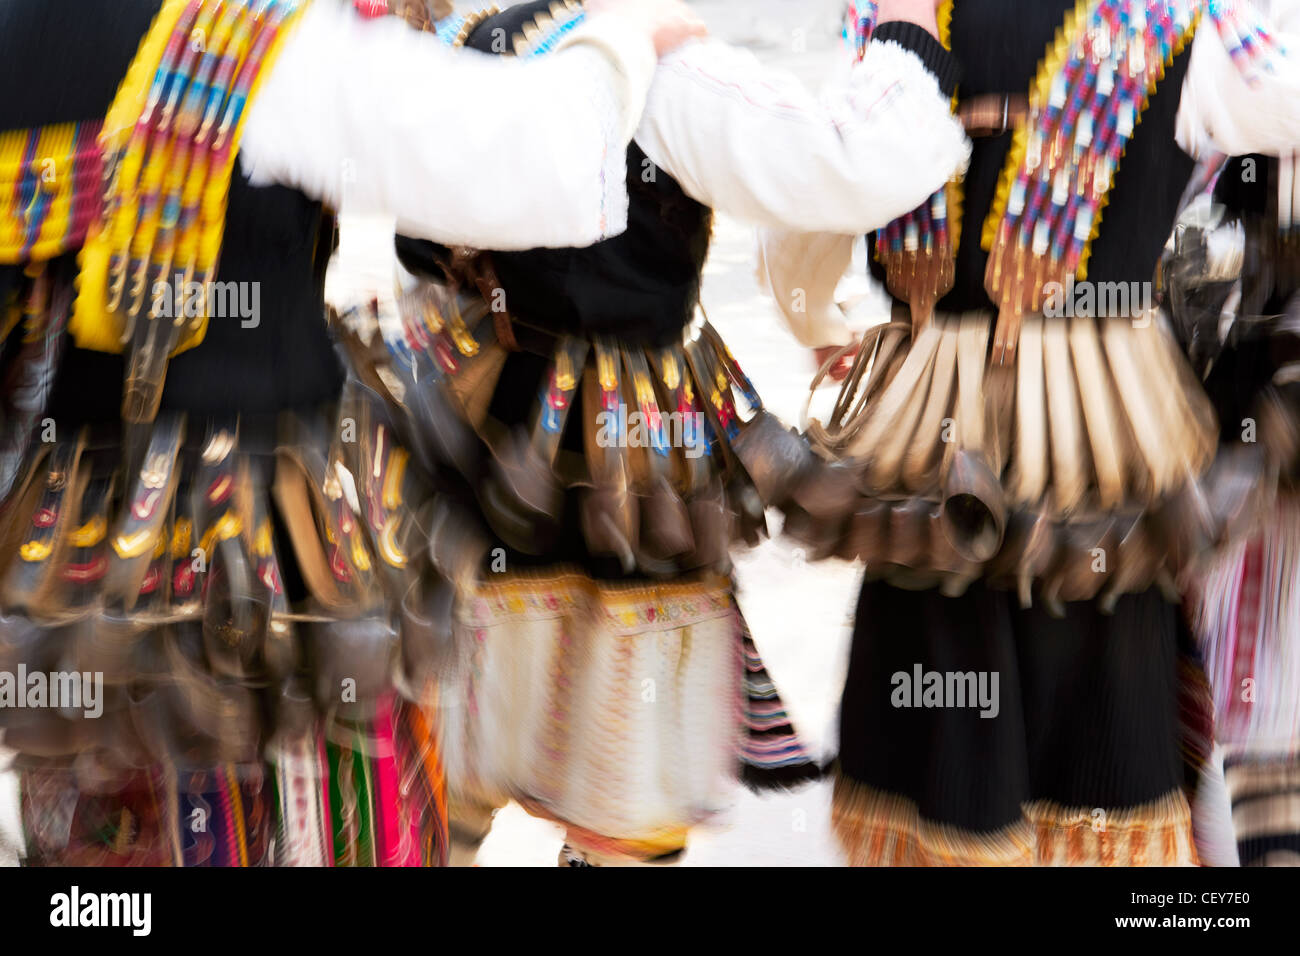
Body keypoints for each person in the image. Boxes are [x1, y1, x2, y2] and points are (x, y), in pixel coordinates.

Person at [0, 0, 706, 866]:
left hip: (67, 547)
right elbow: (533, 159)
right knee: (304, 812)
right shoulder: (251, 42)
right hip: (265, 555)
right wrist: (622, 39)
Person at [349, 0, 970, 865]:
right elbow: (854, 161)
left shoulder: (438, 44)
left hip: (453, 420)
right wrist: (905, 29)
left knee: (448, 758)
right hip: (624, 451)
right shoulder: (665, 69)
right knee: (622, 781)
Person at [759, 0, 1300, 865]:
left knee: (937, 678)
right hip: (1106, 419)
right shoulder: (1184, 26)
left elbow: (809, 209)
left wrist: (820, 322)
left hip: (932, 422)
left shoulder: (899, 20)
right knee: (1101, 676)